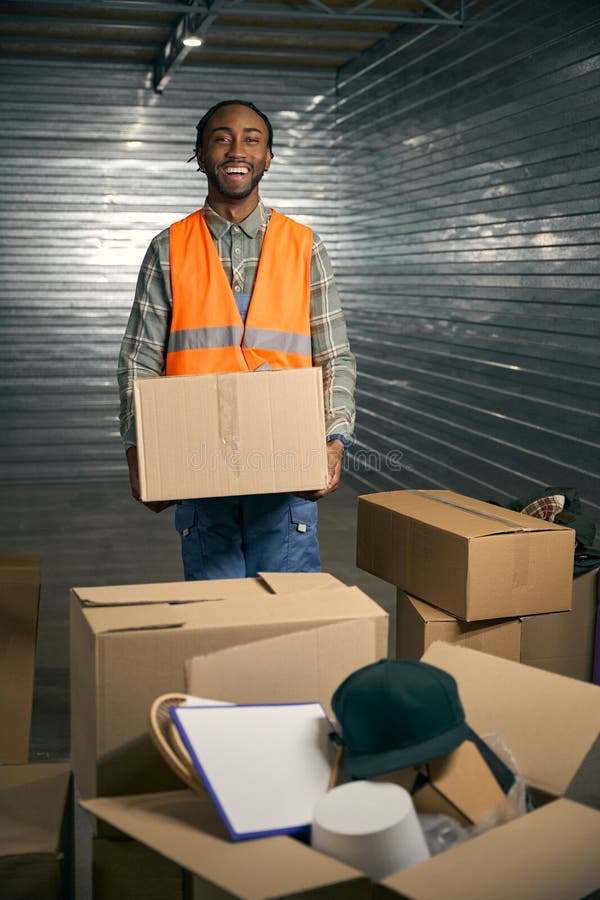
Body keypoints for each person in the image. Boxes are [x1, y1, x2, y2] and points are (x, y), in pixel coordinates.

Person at [117, 99, 356, 580]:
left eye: (252, 139)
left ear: (268, 157)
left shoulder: (305, 246)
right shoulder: (168, 248)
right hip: (199, 466)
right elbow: (139, 360)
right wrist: (139, 448)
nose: (236, 149)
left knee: (287, 619)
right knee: (216, 620)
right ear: (201, 154)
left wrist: (334, 439)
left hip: (286, 467)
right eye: (221, 138)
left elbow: (335, 357)